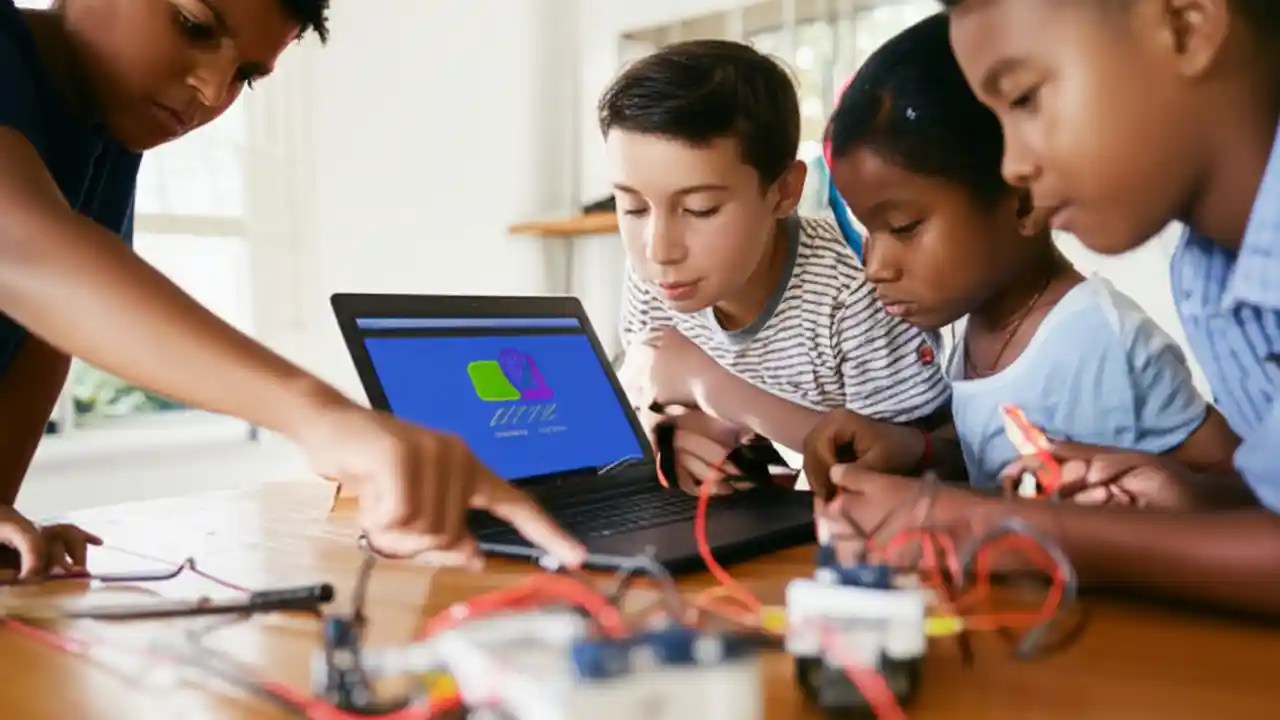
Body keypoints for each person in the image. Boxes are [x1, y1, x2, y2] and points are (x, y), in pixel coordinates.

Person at [0, 0, 584, 580]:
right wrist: (321, 417)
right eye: (193, 25)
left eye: (245, 76)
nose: (210, 91)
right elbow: (25, 252)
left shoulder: (105, 145)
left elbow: (50, 324)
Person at [810, 0, 1280, 616]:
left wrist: (1000, 529)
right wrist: (1189, 493)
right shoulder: (1210, 273)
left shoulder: (1110, 322)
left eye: (1025, 98)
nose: (1013, 166)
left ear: (1186, 23)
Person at [600, 39, 951, 493]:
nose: (660, 248)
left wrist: (712, 386)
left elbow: (903, 460)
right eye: (632, 207)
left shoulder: (856, 290)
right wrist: (665, 428)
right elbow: (650, 396)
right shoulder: (655, 277)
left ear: (784, 192)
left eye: (701, 209)